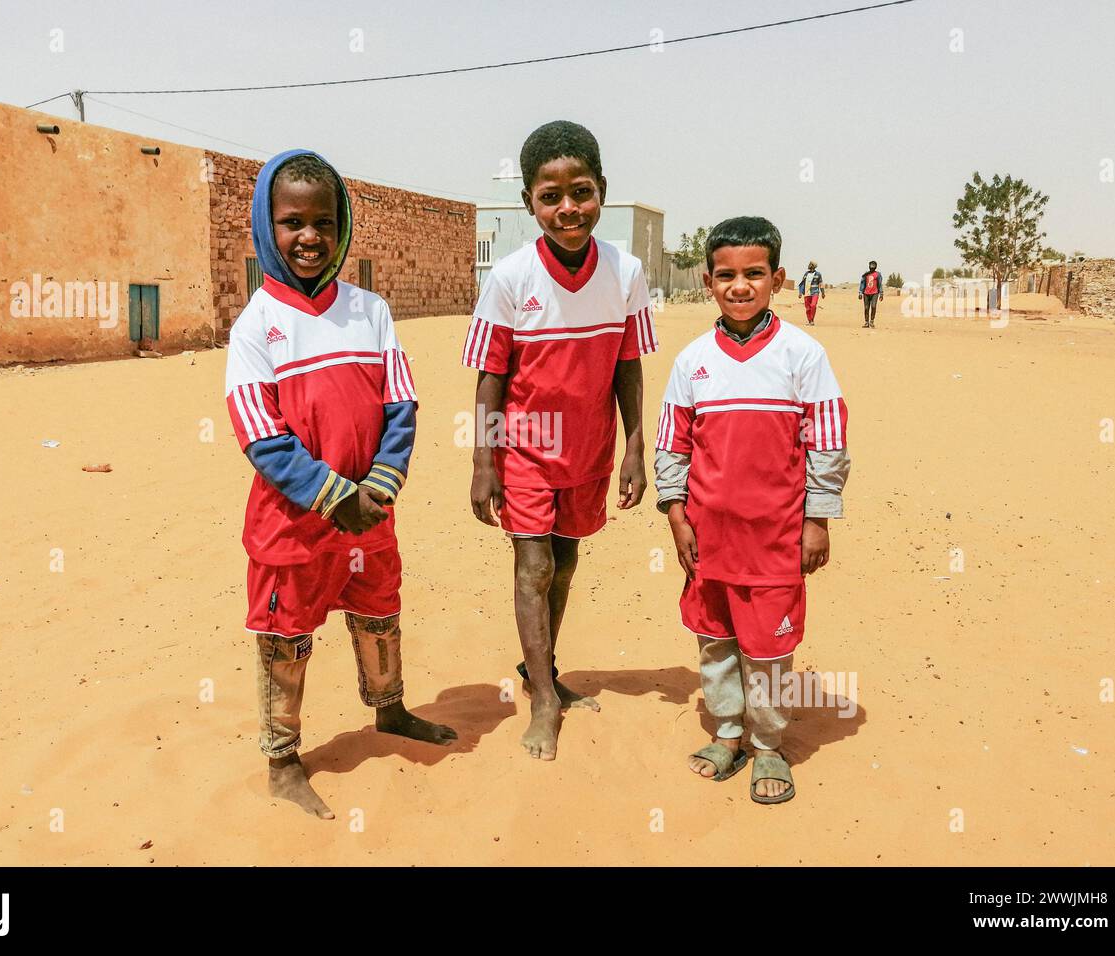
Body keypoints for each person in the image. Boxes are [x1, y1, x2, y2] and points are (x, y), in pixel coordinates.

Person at [225, 148, 457, 820]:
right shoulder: (255, 326)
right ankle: (283, 760)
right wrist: (334, 495)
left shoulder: (369, 311)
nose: (310, 237)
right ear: (268, 226)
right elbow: (261, 435)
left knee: (380, 610)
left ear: (342, 225)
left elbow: (401, 404)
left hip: (370, 513)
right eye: (293, 221)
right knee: (285, 636)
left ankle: (390, 710)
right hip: (292, 524)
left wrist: (379, 486)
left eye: (323, 222)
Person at [462, 120, 657, 761]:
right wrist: (482, 462)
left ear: (602, 190)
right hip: (524, 449)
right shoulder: (511, 278)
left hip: (589, 451)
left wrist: (633, 447)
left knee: (566, 564)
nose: (567, 209)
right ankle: (544, 700)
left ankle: (537, 669)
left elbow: (628, 366)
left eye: (581, 192)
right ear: (529, 204)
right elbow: (492, 378)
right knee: (534, 566)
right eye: (551, 197)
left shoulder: (626, 273)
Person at [654, 216, 850, 804]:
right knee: (714, 643)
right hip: (708, 542)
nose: (740, 287)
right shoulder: (692, 362)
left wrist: (816, 519)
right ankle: (729, 733)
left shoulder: (803, 354)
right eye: (726, 276)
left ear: (778, 278)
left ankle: (767, 744)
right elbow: (672, 444)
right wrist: (676, 514)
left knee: (767, 649)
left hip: (775, 541)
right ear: (709, 281)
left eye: (754, 274)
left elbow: (829, 441)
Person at [797, 260, 824, 325]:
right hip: (807, 293)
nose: (809, 265)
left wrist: (823, 292)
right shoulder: (806, 274)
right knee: (808, 308)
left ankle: (812, 320)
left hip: (815, 292)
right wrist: (800, 292)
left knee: (813, 305)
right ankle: (810, 321)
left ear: (813, 266)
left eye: (811, 264)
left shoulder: (818, 274)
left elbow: (821, 284)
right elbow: (802, 283)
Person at [859, 260, 884, 327]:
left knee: (873, 307)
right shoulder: (866, 274)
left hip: (874, 293)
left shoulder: (878, 274)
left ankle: (872, 321)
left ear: (875, 267)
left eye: (873, 266)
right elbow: (862, 284)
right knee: (866, 308)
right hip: (866, 293)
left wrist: (881, 293)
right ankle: (866, 322)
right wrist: (860, 293)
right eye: (871, 266)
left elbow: (880, 284)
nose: (872, 267)